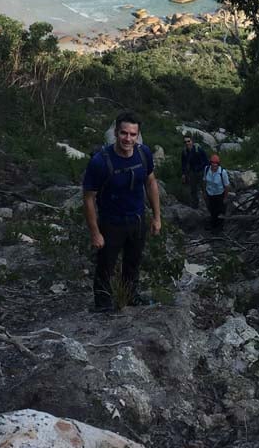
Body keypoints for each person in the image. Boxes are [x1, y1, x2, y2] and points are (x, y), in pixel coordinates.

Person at [82, 111, 161, 312]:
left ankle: (130, 296)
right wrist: (95, 232)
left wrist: (156, 217)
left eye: (133, 134)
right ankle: (103, 305)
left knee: (133, 262)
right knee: (105, 266)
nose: (128, 139)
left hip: (137, 219)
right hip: (111, 222)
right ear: (116, 132)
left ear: (138, 135)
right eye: (124, 133)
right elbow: (89, 198)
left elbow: (151, 182)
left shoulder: (143, 154)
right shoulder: (100, 162)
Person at [180, 134, 210, 208]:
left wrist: (202, 169)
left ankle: (210, 206)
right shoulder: (184, 152)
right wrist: (183, 174)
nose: (187, 143)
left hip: (201, 172)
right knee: (193, 190)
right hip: (192, 172)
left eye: (188, 141)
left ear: (192, 141)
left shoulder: (198, 149)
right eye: (185, 142)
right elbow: (183, 164)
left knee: (205, 190)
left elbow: (206, 161)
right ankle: (195, 207)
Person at [203, 153, 230, 231]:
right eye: (213, 163)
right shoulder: (206, 169)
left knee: (220, 211)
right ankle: (213, 225)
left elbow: (227, 186)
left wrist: (225, 197)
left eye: (216, 164)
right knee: (212, 210)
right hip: (210, 193)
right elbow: (204, 181)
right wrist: (204, 192)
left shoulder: (222, 172)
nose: (214, 165)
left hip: (219, 194)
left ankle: (219, 228)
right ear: (210, 163)